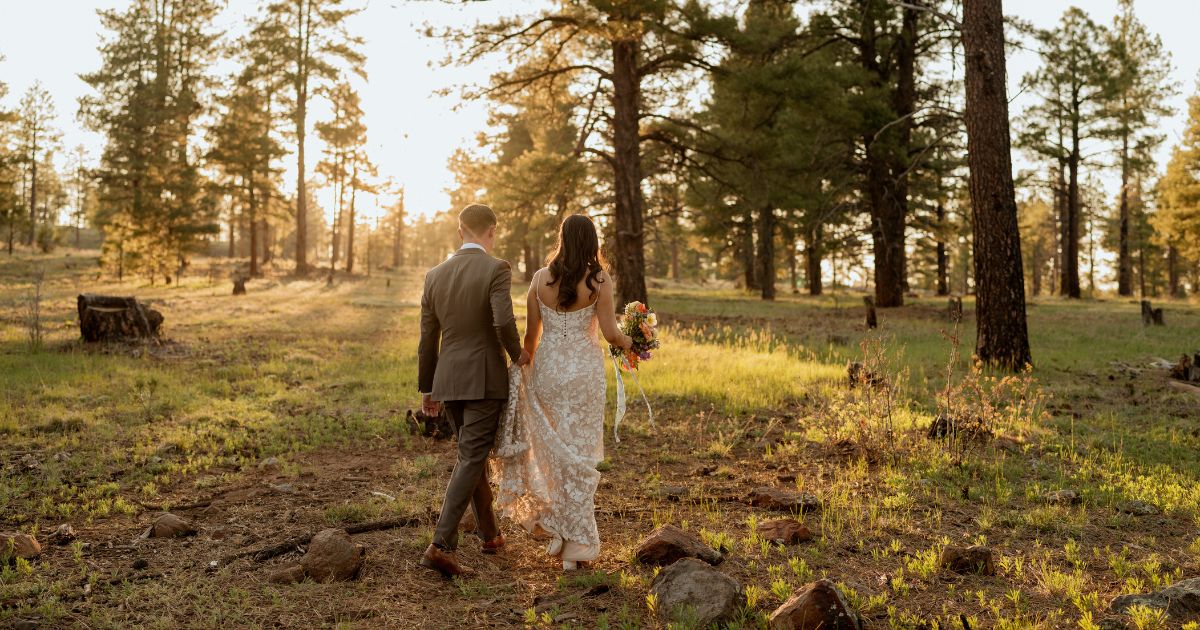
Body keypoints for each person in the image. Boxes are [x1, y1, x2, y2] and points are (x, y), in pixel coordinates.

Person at [493, 214, 633, 572]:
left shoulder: (541, 279)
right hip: (584, 373)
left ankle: (561, 532)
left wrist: (525, 366)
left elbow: (530, 337)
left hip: (549, 371)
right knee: (581, 452)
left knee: (553, 452)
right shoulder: (599, 280)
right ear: (592, 242)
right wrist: (635, 342)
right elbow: (611, 333)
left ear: (562, 239)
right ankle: (575, 546)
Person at [416, 203, 530, 578]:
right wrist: (520, 355)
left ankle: (490, 535)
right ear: (491, 231)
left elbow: (428, 337)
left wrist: (428, 388)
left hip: (448, 379)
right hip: (484, 378)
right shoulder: (497, 268)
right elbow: (503, 319)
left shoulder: (434, 275)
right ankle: (441, 545)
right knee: (471, 457)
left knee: (472, 454)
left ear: (459, 229)